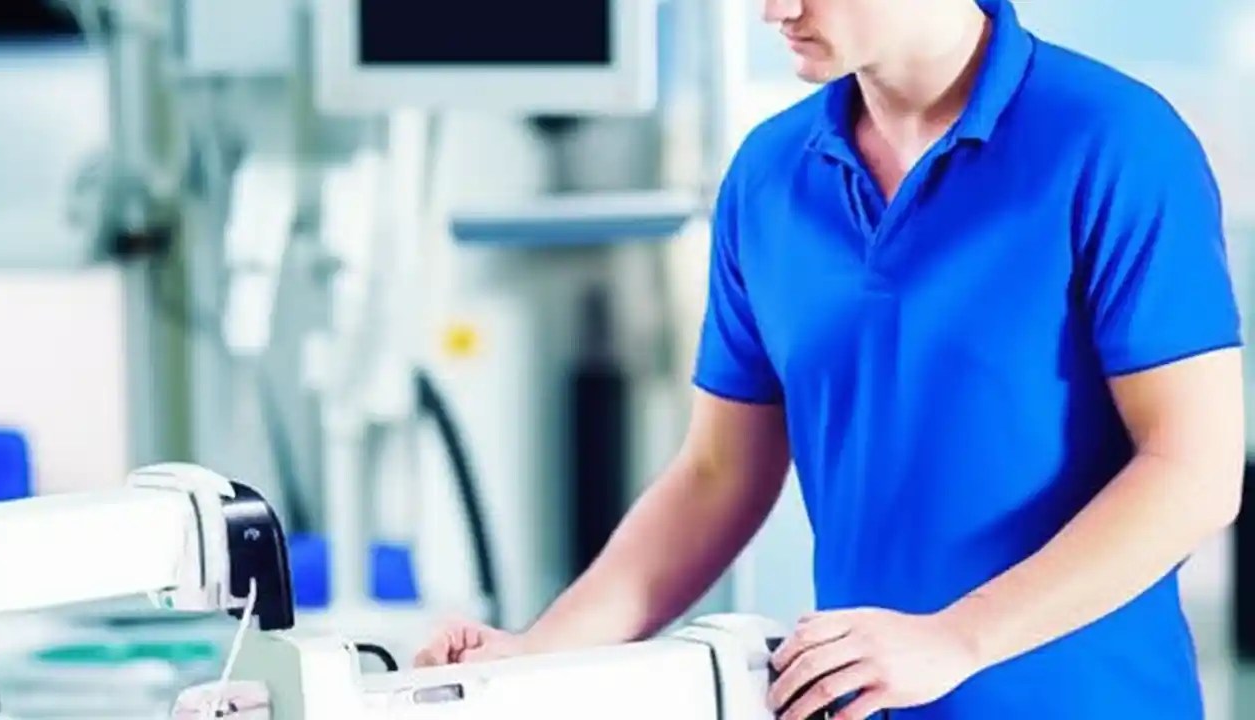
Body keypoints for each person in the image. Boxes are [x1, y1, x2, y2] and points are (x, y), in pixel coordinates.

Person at [413, 0, 1247, 717]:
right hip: (858, 706)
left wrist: (956, 639)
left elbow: (1195, 471)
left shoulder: (1115, 142)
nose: (772, 10)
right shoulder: (769, 174)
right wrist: (539, 654)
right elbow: (716, 475)